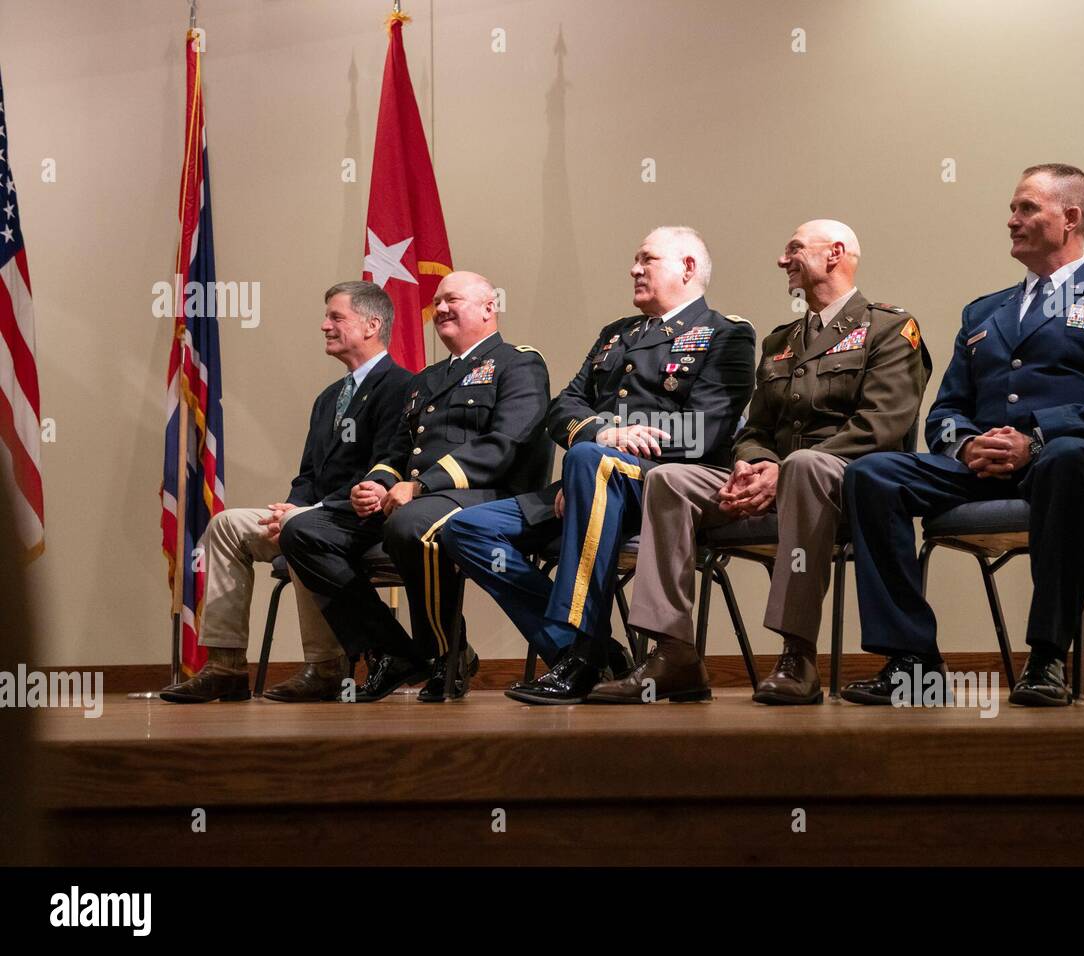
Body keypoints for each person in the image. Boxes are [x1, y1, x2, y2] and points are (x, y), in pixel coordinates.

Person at [841, 164, 1084, 707]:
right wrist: (966, 445)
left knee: (1066, 459)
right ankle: (913, 663)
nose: (1011, 220)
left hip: (1079, 467)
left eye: (1026, 208)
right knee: (874, 474)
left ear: (1070, 218)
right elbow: (946, 409)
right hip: (986, 469)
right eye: (1013, 209)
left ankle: (1046, 659)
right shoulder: (984, 310)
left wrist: (1037, 440)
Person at [590, 219, 931, 705]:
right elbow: (753, 429)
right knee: (669, 479)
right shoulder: (780, 341)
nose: (781, 259)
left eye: (794, 248)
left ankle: (798, 654)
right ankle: (674, 652)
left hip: (846, 481)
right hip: (776, 478)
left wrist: (784, 468)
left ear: (834, 254)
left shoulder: (889, 327)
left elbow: (883, 424)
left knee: (804, 468)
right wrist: (756, 463)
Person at [441, 227, 756, 705]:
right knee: (465, 530)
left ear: (687, 268)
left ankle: (582, 655)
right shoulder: (616, 333)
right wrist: (600, 437)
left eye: (646, 259)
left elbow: (706, 433)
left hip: (663, 489)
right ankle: (586, 650)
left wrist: (599, 455)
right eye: (635, 259)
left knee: (590, 461)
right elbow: (562, 407)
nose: (634, 269)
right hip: (592, 482)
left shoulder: (726, 333)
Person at [279, 271, 550, 702]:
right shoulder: (427, 377)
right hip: (419, 497)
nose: (440, 308)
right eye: (437, 302)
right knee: (304, 532)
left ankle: (444, 652)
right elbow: (398, 450)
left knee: (410, 523)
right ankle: (392, 651)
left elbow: (505, 445)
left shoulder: (519, 362)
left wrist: (421, 486)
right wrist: (375, 482)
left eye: (453, 300)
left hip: (491, 497)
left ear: (488, 307)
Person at [160, 281, 413, 703]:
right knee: (226, 525)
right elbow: (309, 473)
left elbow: (389, 467)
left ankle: (326, 668)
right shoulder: (329, 397)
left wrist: (305, 513)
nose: (324, 326)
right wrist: (292, 506)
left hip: (364, 521)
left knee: (301, 528)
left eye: (336, 317)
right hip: (315, 513)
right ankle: (225, 666)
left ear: (371, 325)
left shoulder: (402, 386)